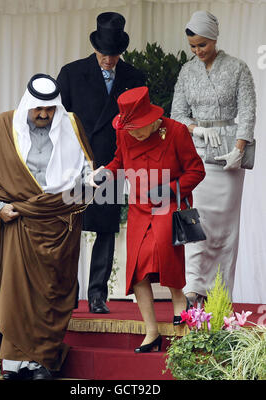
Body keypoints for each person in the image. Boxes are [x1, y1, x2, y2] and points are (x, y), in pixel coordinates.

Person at [0, 74, 95, 380]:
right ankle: (13, 366)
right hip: (18, 223)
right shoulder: (4, 127)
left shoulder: (71, 126)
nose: (43, 115)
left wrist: (92, 181)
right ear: (28, 104)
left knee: (51, 295)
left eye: (49, 110)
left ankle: (41, 363)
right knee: (15, 294)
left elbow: (85, 172)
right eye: (38, 109)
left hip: (58, 223)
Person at [91, 86, 205, 352]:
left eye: (139, 128)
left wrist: (170, 189)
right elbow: (119, 160)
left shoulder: (175, 131)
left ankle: (180, 302)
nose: (134, 134)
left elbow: (196, 171)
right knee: (137, 270)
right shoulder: (124, 132)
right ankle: (151, 333)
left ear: (152, 118)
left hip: (168, 203)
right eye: (129, 129)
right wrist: (106, 174)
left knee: (164, 250)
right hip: (139, 207)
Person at [57, 12, 145, 314]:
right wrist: (69, 162)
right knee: (71, 228)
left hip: (112, 163)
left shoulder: (134, 77)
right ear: (95, 48)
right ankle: (69, 294)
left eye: (114, 54)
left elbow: (139, 125)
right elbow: (58, 122)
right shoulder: (70, 73)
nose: (108, 59)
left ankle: (97, 295)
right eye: (103, 53)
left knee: (106, 229)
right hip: (76, 165)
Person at [171, 11, 256, 306]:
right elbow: (177, 114)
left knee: (224, 230)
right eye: (193, 46)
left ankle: (220, 295)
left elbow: (247, 112)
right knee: (197, 222)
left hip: (229, 158)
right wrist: (196, 129)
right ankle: (193, 287)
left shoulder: (238, 68)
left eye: (202, 45)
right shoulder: (186, 71)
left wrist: (240, 147)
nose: (197, 51)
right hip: (197, 154)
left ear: (215, 39)